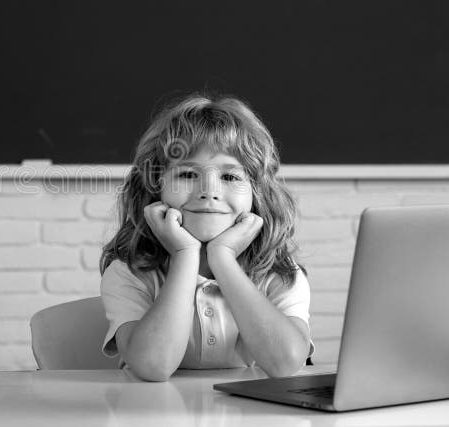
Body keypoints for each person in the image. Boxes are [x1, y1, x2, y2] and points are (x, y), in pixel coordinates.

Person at [99, 92, 313, 382]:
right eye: (187, 174)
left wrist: (223, 259)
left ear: (257, 194)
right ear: (154, 190)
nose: (209, 191)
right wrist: (185, 256)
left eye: (230, 177)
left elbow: (286, 363)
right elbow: (152, 366)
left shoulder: (279, 274)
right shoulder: (129, 273)